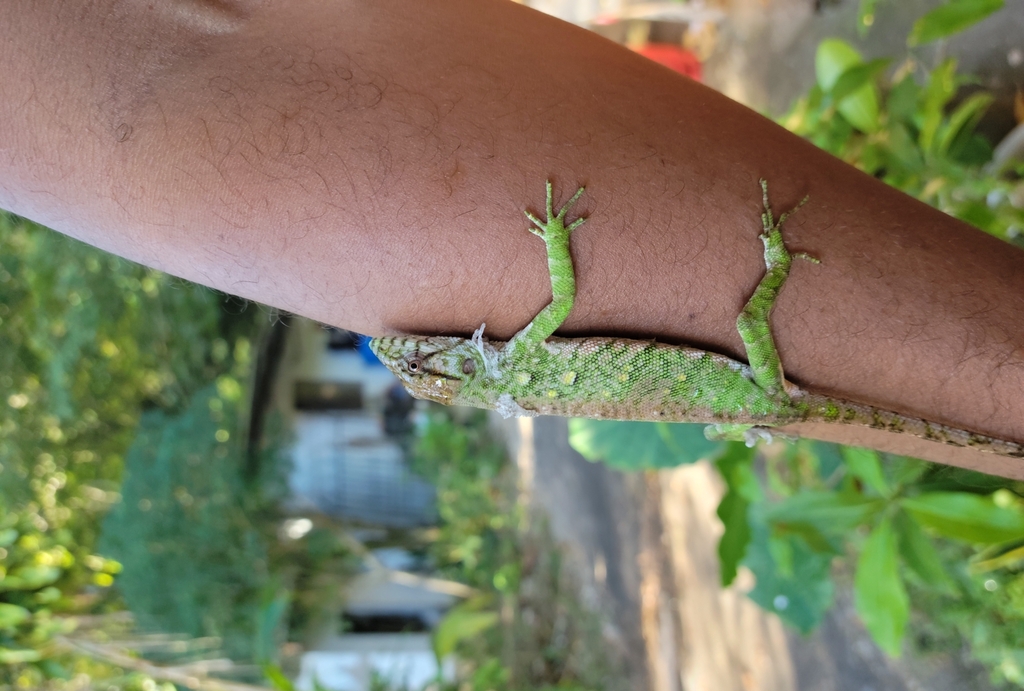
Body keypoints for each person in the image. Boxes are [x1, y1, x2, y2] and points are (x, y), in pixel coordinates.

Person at [2, 0, 1023, 476]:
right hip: (743, 382)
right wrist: (548, 236)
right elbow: (566, 299)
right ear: (462, 362)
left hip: (747, 394)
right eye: (434, 359)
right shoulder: (517, 360)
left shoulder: (521, 375)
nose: (430, 350)